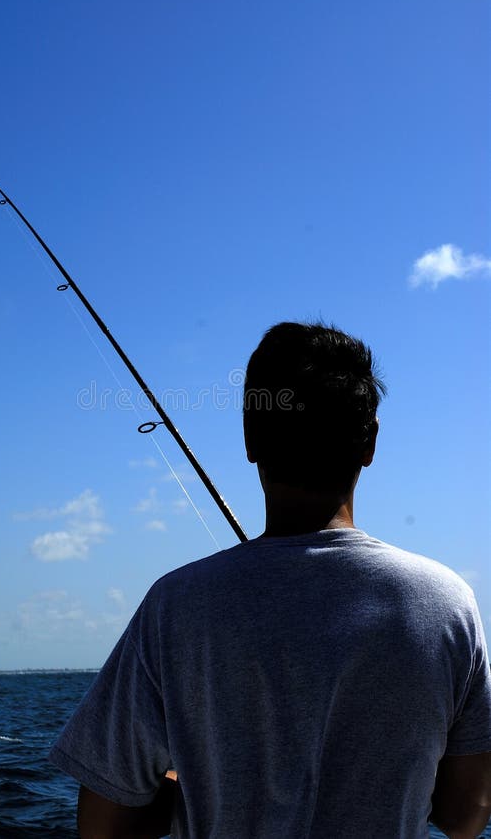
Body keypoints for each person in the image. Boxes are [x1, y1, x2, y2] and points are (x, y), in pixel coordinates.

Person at [49, 322, 491, 838]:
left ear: (250, 438)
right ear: (369, 440)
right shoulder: (446, 603)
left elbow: (102, 827)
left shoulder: (176, 605)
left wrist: (190, 787)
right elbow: (467, 816)